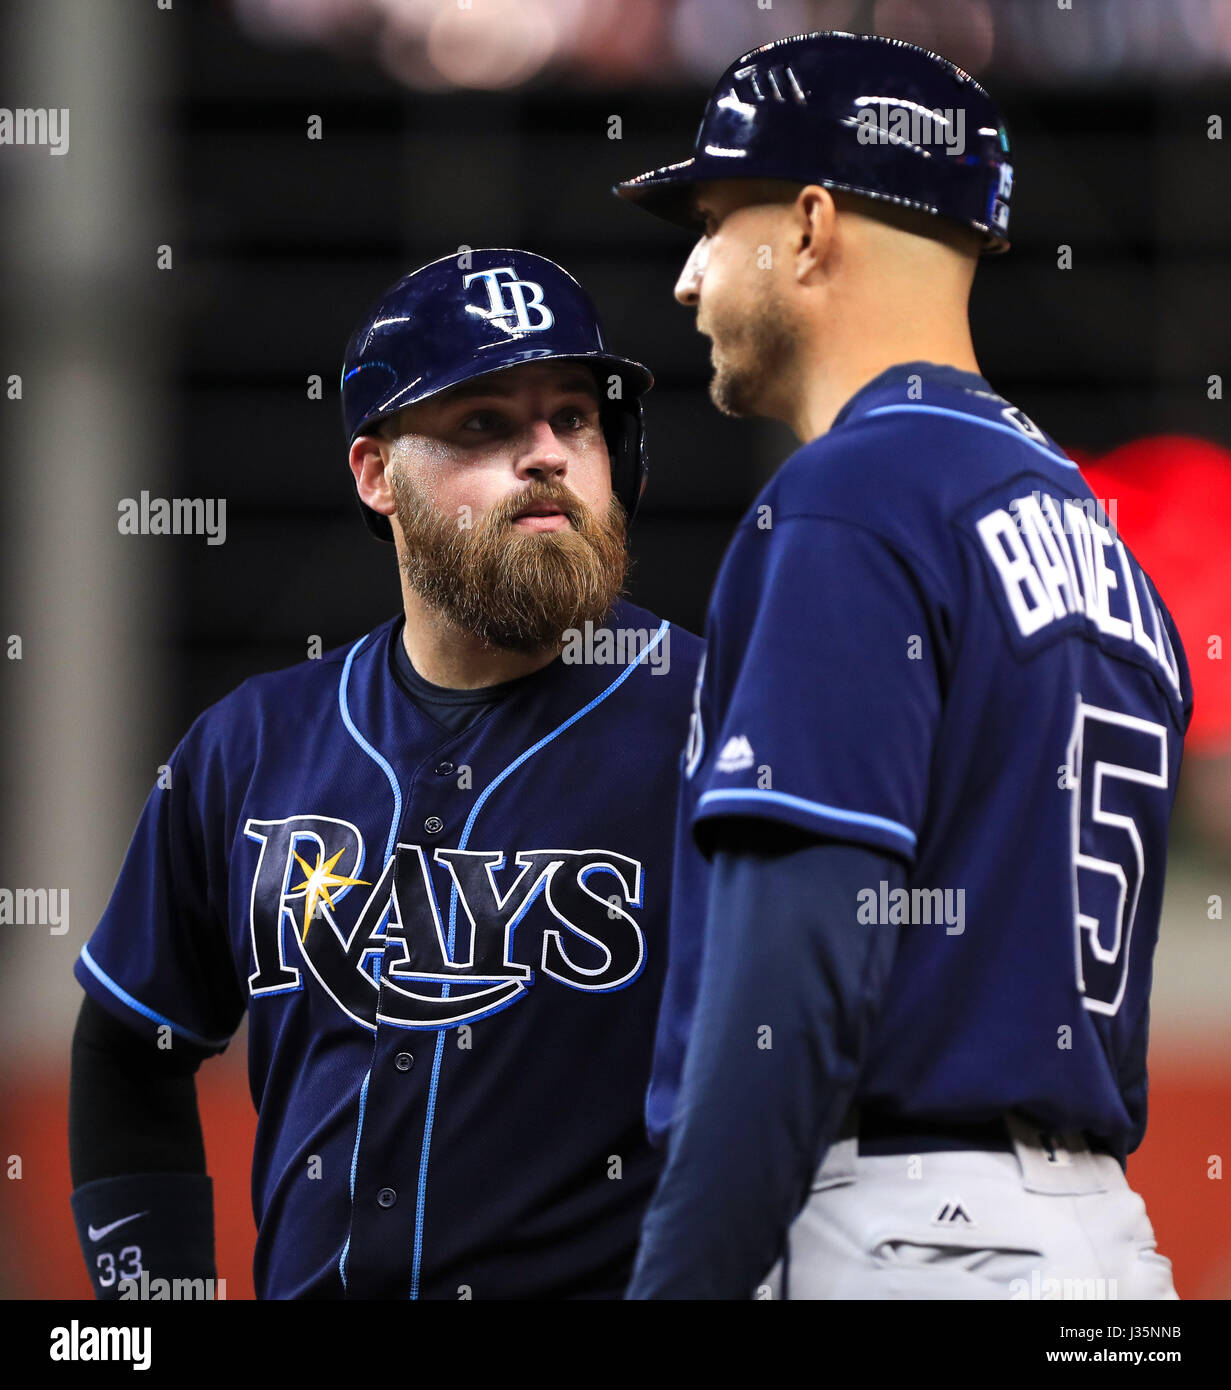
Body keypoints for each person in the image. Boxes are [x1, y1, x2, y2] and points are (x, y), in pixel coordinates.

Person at [613, 31, 1192, 1299]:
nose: (689, 277)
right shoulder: (1106, 548)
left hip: (901, 1235)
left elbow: (794, 988)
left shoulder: (851, 500)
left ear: (810, 224)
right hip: (1099, 1243)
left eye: (713, 219)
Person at [68, 248, 703, 1300]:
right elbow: (132, 1045)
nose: (544, 455)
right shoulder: (252, 744)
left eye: (574, 418)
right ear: (376, 474)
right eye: (483, 425)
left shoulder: (725, 721)